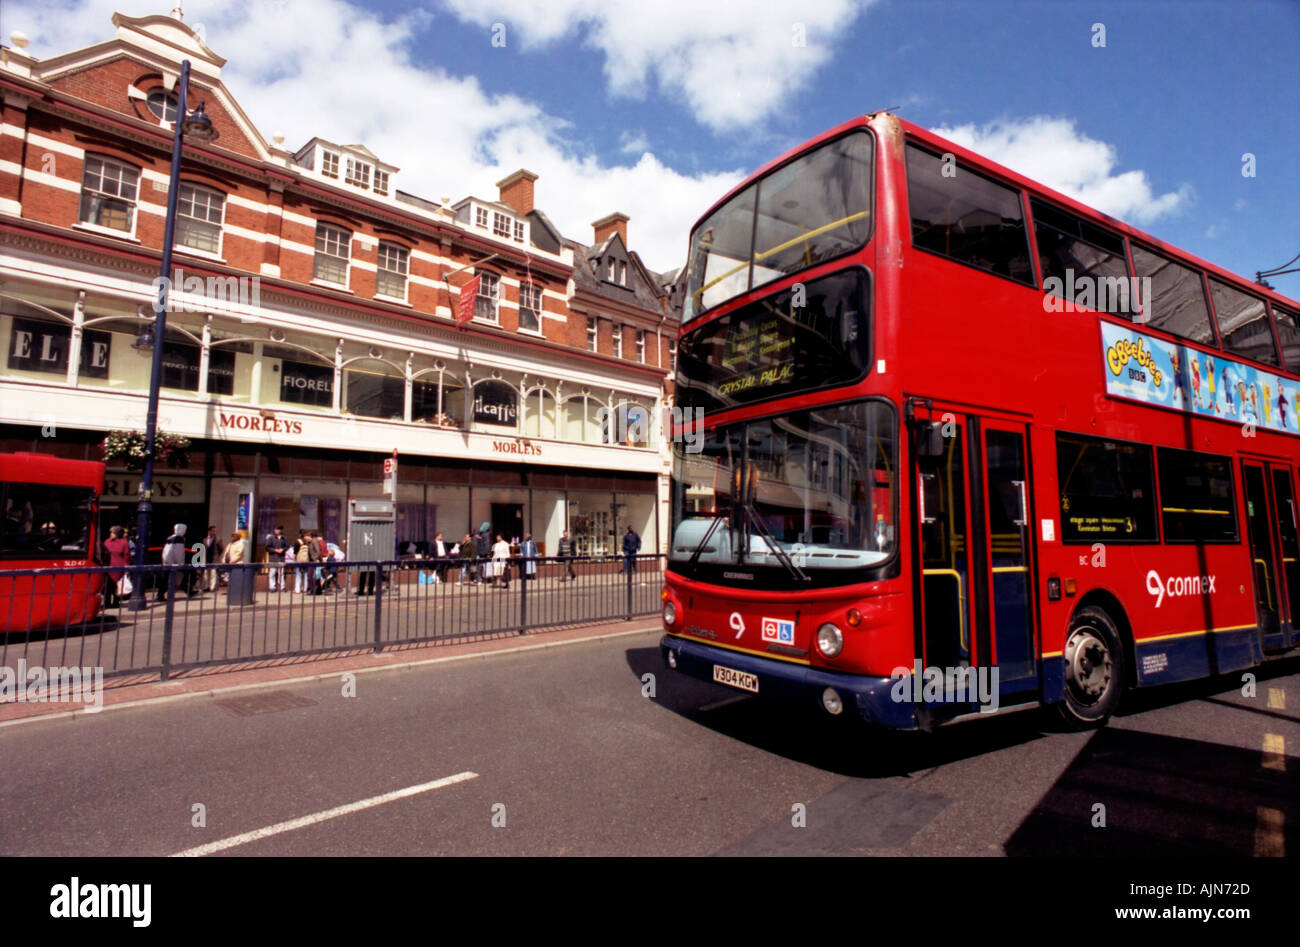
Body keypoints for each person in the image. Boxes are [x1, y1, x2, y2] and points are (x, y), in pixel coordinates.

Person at [158, 523, 190, 600]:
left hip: (167, 562)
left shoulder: (170, 538)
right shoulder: (179, 539)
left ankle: (161, 594)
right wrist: (180, 563)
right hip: (174, 563)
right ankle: (188, 591)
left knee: (166, 579)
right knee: (178, 578)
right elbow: (179, 553)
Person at [103, 525, 130, 608]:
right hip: (108, 567)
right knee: (107, 586)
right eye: (111, 532)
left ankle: (115, 602)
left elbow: (126, 556)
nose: (111, 534)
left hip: (118, 567)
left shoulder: (124, 543)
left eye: (113, 532)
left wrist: (126, 568)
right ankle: (107, 602)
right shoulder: (107, 542)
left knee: (117, 586)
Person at [265, 525, 289, 592]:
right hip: (273, 558)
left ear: (280, 530)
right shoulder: (271, 538)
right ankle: (272, 587)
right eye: (275, 529)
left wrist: (283, 550)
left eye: (277, 529)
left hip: (281, 558)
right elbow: (267, 547)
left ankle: (282, 587)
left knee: (281, 573)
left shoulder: (284, 538)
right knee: (272, 573)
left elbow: (287, 546)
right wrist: (274, 550)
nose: (276, 531)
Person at [203, 526, 224, 592]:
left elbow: (221, 549)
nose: (214, 532)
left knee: (213, 574)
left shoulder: (218, 540)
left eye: (215, 531)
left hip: (214, 559)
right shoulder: (205, 540)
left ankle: (212, 588)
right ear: (209, 531)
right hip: (207, 559)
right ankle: (206, 587)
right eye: (213, 531)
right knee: (206, 574)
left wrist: (216, 556)